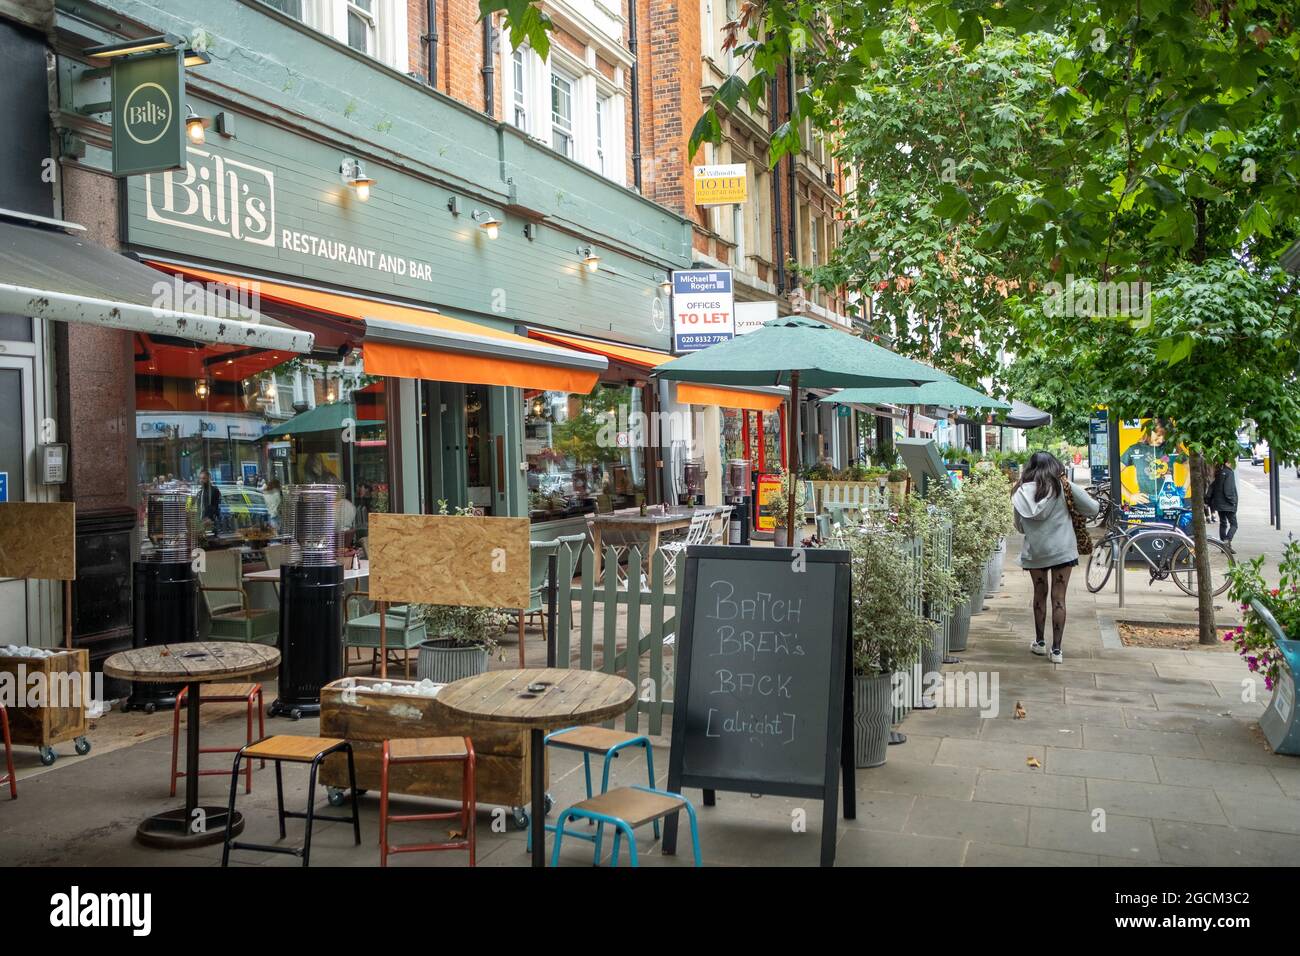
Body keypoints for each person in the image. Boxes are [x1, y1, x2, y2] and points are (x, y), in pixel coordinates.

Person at [1012, 451, 1100, 663]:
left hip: (1036, 552)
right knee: (1059, 599)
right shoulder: (1063, 486)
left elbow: (1019, 527)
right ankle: (1057, 650)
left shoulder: (1020, 492)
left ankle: (1040, 643)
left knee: (1039, 595)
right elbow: (1093, 508)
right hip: (1062, 552)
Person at [1207, 460, 1239, 544]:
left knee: (1223, 523)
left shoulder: (1218, 473)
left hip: (1219, 504)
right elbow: (1228, 489)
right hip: (1228, 504)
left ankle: (1223, 546)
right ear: (1227, 463)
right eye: (1232, 463)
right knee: (1234, 525)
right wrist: (1233, 501)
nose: (1233, 465)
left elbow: (1212, 487)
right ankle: (1227, 540)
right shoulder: (1229, 473)